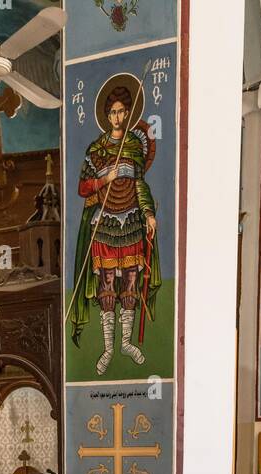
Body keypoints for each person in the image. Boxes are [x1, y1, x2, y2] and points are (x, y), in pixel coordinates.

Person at [70, 84, 161, 375]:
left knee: (131, 283)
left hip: (132, 221)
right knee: (107, 285)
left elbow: (139, 184)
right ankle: (108, 348)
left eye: (122, 111)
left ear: (128, 113)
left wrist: (148, 213)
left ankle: (126, 343)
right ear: (106, 115)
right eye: (113, 112)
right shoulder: (96, 150)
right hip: (106, 223)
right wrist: (103, 179)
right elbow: (83, 188)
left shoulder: (134, 146)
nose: (118, 116)